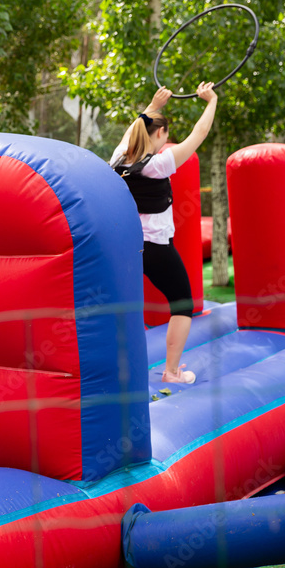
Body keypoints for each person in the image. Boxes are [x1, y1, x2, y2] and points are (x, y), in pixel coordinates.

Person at [110, 83, 218, 384]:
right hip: (155, 248)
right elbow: (200, 134)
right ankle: (171, 372)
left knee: (121, 308)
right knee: (182, 303)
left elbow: (131, 135)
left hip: (124, 249)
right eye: (165, 134)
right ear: (160, 135)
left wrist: (153, 107)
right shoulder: (157, 165)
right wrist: (211, 101)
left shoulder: (118, 160)